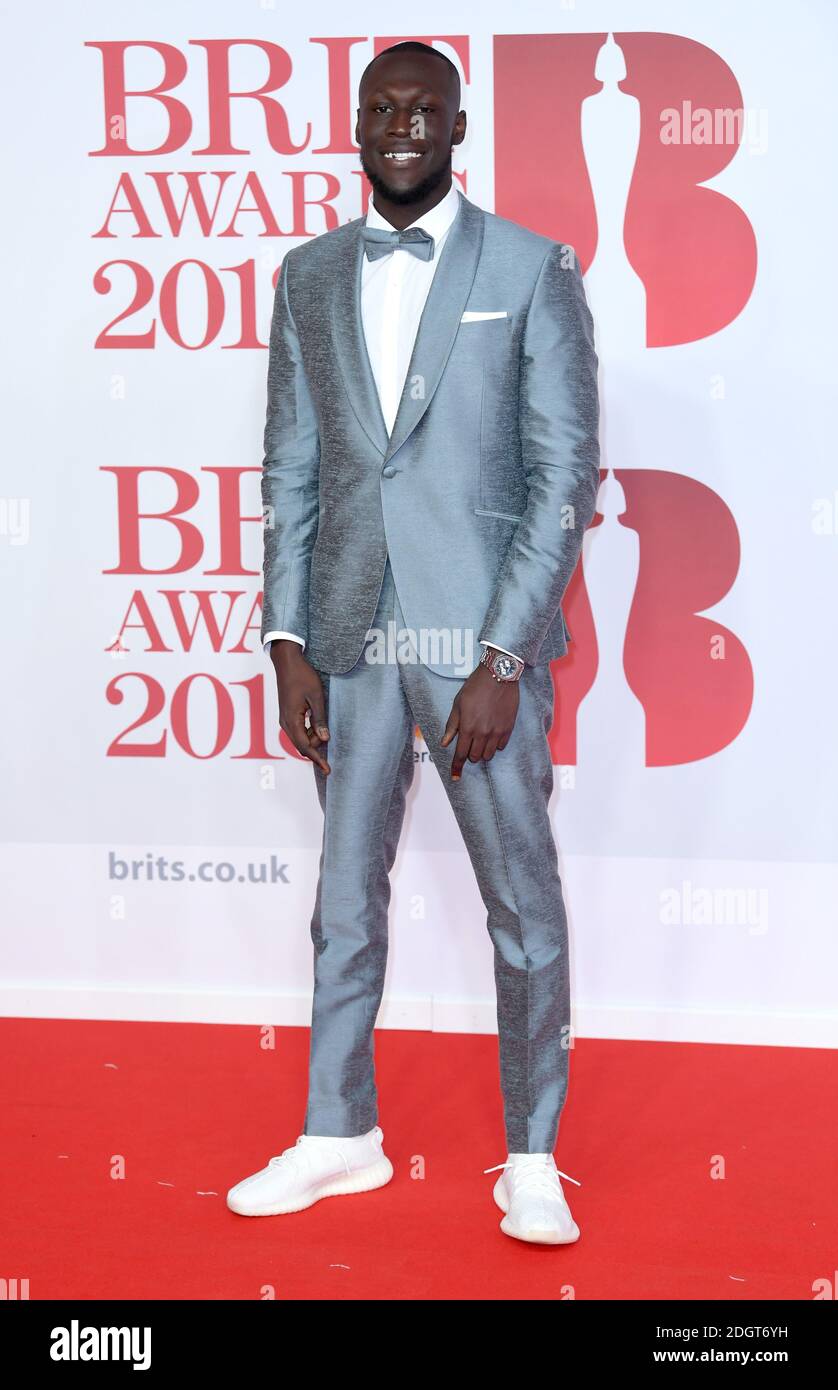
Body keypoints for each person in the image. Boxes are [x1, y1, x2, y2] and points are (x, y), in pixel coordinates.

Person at [227, 40, 600, 1244]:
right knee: (345, 902)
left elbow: (560, 478)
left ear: (457, 124)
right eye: (379, 108)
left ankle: (531, 1156)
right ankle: (340, 1135)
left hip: (475, 641)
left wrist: (501, 657)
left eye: (421, 108)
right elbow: (292, 467)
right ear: (354, 125)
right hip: (345, 629)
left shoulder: (532, 266)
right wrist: (287, 639)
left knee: (519, 905)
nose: (400, 124)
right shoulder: (310, 274)